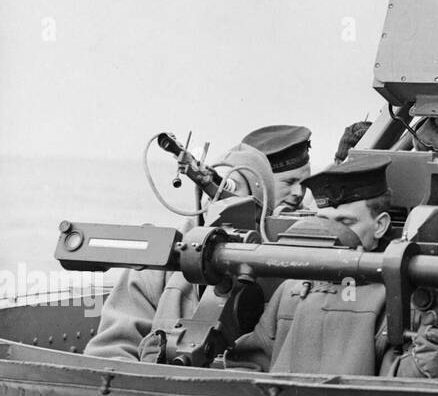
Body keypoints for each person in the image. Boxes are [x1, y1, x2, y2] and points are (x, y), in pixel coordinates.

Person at [85, 130, 309, 362]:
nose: (218, 202)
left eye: (233, 193)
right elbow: (111, 352)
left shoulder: (289, 274)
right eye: (213, 190)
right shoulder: (155, 268)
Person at [228, 158, 438, 378]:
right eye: (323, 220)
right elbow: (250, 366)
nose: (332, 232)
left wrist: (421, 363)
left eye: (345, 222)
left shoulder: (396, 299)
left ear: (379, 226)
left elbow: (399, 390)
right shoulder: (290, 290)